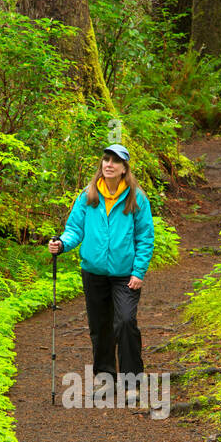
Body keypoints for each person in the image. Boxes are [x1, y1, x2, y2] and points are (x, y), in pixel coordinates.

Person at [49, 143, 155, 405]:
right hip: (93, 273)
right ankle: (104, 378)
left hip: (125, 274)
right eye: (106, 160)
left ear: (124, 168)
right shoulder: (88, 196)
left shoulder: (136, 197)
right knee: (100, 327)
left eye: (115, 161)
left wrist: (139, 271)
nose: (109, 164)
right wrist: (62, 243)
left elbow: (145, 237)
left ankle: (132, 382)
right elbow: (75, 229)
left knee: (126, 322)